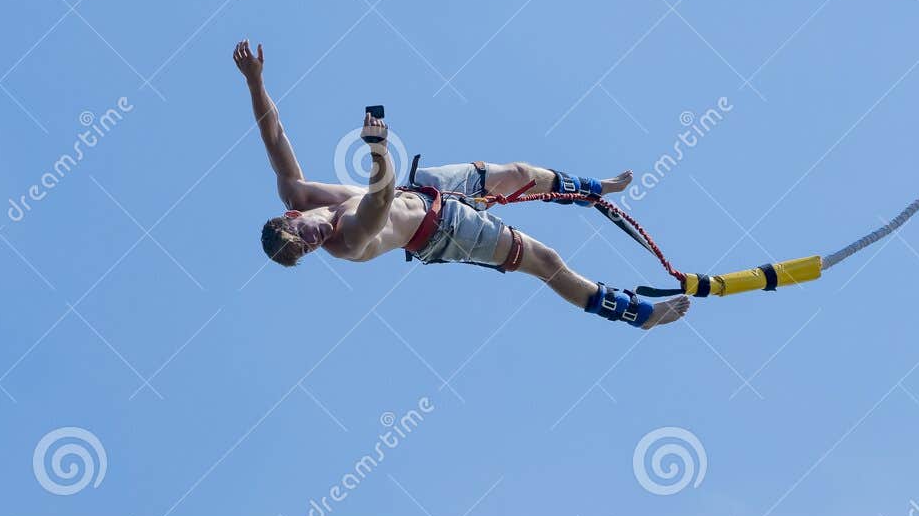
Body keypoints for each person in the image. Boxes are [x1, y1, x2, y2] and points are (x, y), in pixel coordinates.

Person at [234, 40, 690, 330]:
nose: (320, 240)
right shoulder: (348, 241)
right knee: (545, 261)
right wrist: (377, 151)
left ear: (294, 216)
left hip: (425, 189)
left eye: (309, 234)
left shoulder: (297, 194)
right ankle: (639, 314)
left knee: (517, 171)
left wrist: (256, 81)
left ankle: (594, 189)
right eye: (313, 248)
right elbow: (379, 199)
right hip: (442, 232)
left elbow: (274, 136)